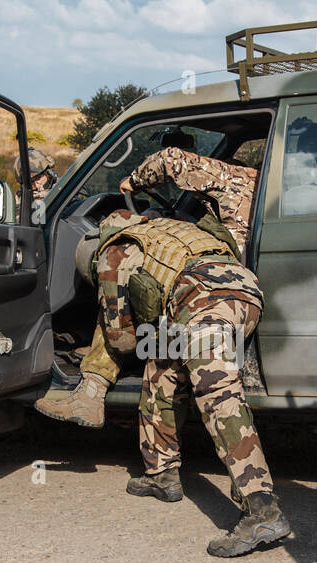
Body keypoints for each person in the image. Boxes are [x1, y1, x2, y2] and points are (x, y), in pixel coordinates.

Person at [74, 207, 289, 558]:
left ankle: (263, 511)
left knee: (218, 393)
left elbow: (121, 339)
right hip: (242, 291)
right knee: (162, 367)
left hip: (203, 300)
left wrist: (129, 321)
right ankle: (161, 473)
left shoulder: (116, 250)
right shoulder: (171, 229)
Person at [35, 142, 259, 428]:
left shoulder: (237, 178)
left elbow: (170, 157)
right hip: (236, 292)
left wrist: (134, 181)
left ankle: (92, 391)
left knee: (123, 271)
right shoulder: (281, 188)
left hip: (206, 288)